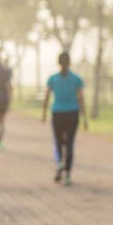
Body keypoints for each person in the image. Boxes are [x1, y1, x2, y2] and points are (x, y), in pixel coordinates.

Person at [41, 52, 88, 186]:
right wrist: (85, 118)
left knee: (58, 142)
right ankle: (67, 174)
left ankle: (59, 165)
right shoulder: (76, 79)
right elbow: (81, 99)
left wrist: (44, 113)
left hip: (57, 114)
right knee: (70, 144)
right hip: (73, 114)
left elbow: (47, 97)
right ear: (69, 62)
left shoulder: (53, 79)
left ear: (59, 62)